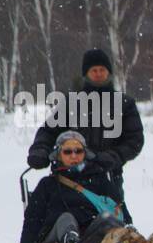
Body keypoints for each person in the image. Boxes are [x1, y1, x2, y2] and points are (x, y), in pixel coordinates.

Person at [19, 131, 131, 243]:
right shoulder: (48, 185)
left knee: (107, 219)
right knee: (66, 218)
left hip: (92, 239)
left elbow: (119, 207)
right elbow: (31, 222)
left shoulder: (98, 180)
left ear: (85, 153)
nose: (74, 156)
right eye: (68, 151)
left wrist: (129, 228)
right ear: (58, 154)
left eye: (78, 151)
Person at [27, 48, 144, 200]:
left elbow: (134, 140)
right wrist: (40, 150)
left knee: (113, 219)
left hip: (108, 176)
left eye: (102, 69)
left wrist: (112, 157)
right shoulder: (71, 102)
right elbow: (48, 132)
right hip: (70, 176)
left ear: (108, 72)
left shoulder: (124, 104)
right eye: (93, 70)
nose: (98, 73)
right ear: (86, 74)